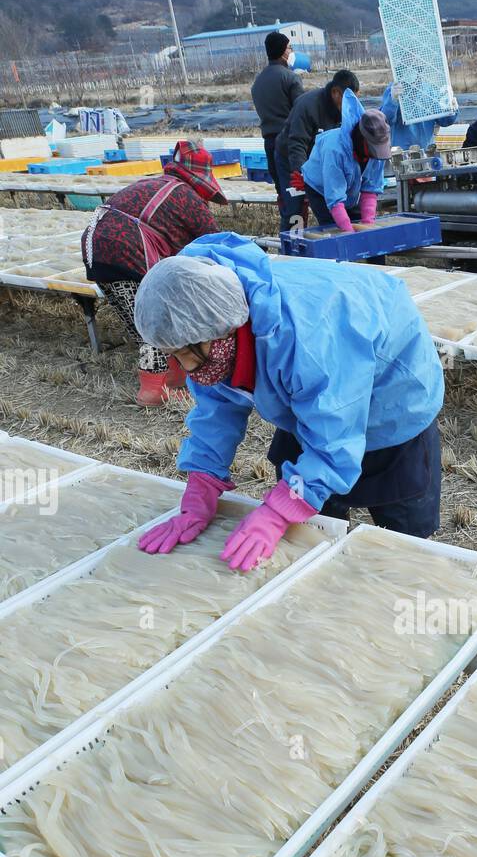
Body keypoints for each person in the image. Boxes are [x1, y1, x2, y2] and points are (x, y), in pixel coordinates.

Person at [132, 231, 444, 564]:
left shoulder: (308, 343)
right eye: (173, 355)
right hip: (318, 396)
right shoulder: (210, 330)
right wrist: (203, 482)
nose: (184, 368)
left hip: (393, 402)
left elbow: (334, 444)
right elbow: (217, 408)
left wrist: (277, 513)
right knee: (315, 529)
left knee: (404, 545)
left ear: (221, 332)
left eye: (184, 353)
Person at [81, 140, 226, 406]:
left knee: (143, 318)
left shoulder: (153, 184)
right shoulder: (186, 196)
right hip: (125, 251)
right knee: (152, 320)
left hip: (95, 247)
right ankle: (153, 390)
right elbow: (216, 243)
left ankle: (172, 379)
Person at [274, 69, 360, 228]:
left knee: (335, 200)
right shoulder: (308, 106)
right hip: (291, 158)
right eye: (347, 99)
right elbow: (297, 143)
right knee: (296, 206)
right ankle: (293, 246)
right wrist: (300, 173)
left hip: (322, 159)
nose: (350, 105)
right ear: (336, 93)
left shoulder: (347, 111)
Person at [300, 88, 390, 231]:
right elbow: (334, 197)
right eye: (373, 148)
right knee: (333, 229)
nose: (376, 153)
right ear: (362, 139)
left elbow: (370, 189)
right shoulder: (335, 150)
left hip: (351, 187)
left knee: (359, 221)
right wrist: (348, 232)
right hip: (320, 188)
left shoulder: (377, 154)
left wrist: (368, 224)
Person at [250, 30, 303, 213]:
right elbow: (300, 113)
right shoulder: (290, 77)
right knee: (296, 194)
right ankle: (298, 234)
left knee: (282, 192)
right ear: (282, 51)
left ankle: (287, 233)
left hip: (269, 142)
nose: (291, 51)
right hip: (289, 143)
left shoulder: (258, 82)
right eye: (289, 47)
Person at [380, 81, 458, 151]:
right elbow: (385, 121)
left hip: (427, 152)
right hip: (402, 153)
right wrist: (393, 100)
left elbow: (445, 121)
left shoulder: (429, 89)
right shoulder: (393, 89)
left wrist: (451, 109)